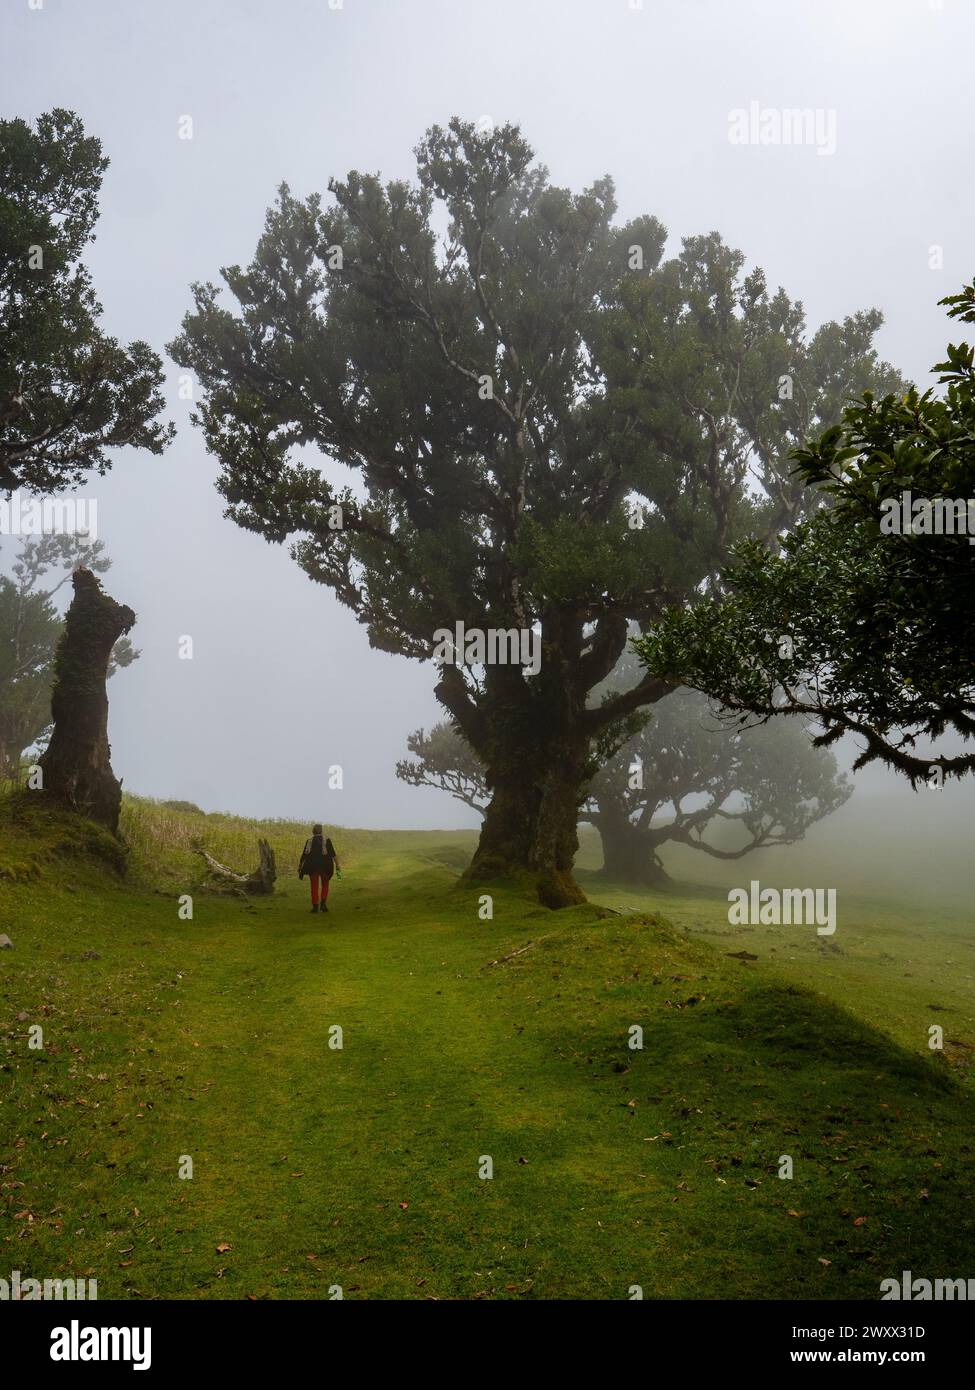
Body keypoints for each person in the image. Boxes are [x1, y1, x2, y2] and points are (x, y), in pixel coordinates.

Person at [297, 825, 340, 913]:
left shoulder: (309, 841)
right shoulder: (327, 840)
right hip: (326, 867)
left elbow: (304, 855)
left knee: (314, 887)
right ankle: (323, 904)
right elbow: (333, 853)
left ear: (313, 832)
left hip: (312, 867)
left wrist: (300, 866)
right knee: (325, 885)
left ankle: (315, 907)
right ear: (321, 831)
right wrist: (337, 864)